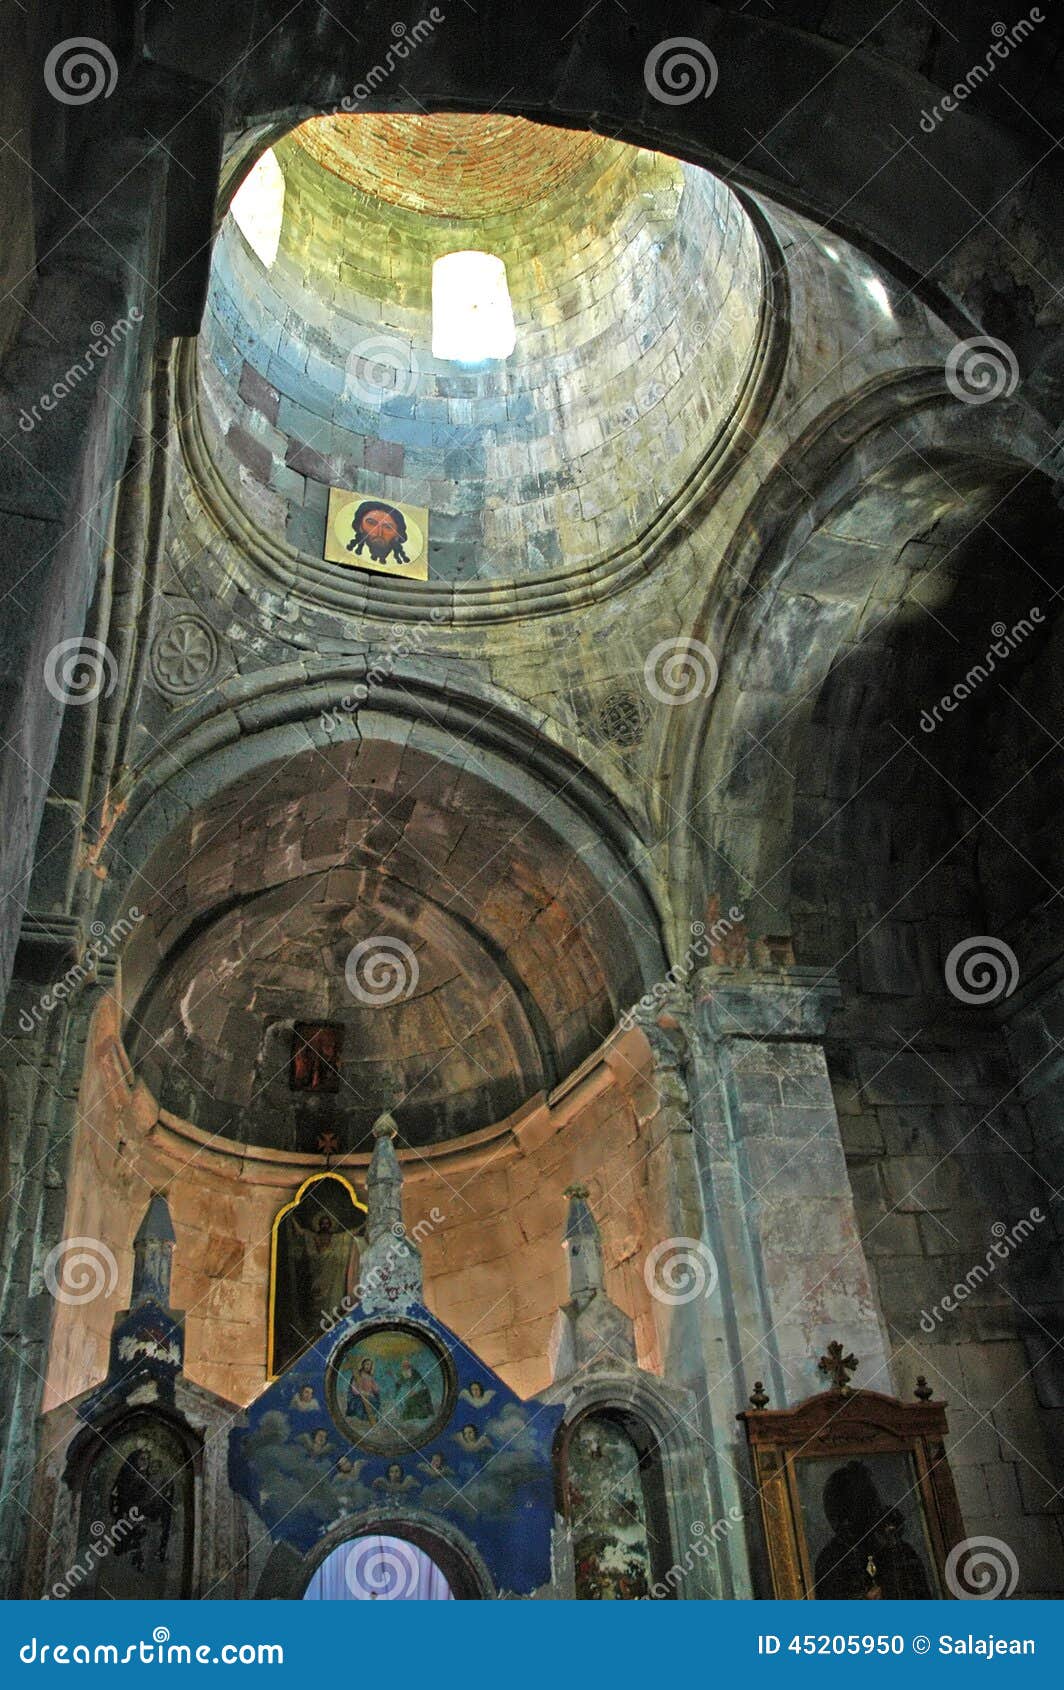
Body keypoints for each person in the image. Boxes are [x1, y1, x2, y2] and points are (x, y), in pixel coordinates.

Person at [813, 1461, 932, 1599]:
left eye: (872, 1503)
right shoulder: (830, 1560)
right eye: (863, 1505)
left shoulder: (901, 1551)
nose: (875, 1510)